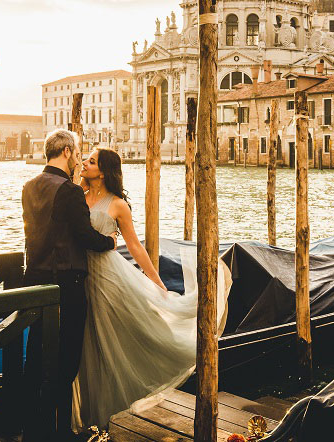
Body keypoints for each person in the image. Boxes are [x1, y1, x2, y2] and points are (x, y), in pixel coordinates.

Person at [71, 148, 231, 431]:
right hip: (83, 279)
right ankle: (92, 419)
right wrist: (80, 181)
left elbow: (134, 246)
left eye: (91, 161)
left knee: (112, 343)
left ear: (105, 171)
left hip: (108, 278)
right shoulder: (79, 198)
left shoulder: (118, 204)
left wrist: (157, 283)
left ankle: (111, 415)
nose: (85, 162)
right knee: (87, 346)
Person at [22, 130, 117, 441]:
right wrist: (109, 241)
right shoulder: (70, 190)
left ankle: (34, 426)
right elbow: (85, 236)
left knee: (36, 354)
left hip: (34, 280)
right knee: (66, 361)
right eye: (77, 152)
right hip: (65, 283)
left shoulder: (29, 186)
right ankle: (59, 431)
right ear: (65, 151)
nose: (79, 157)